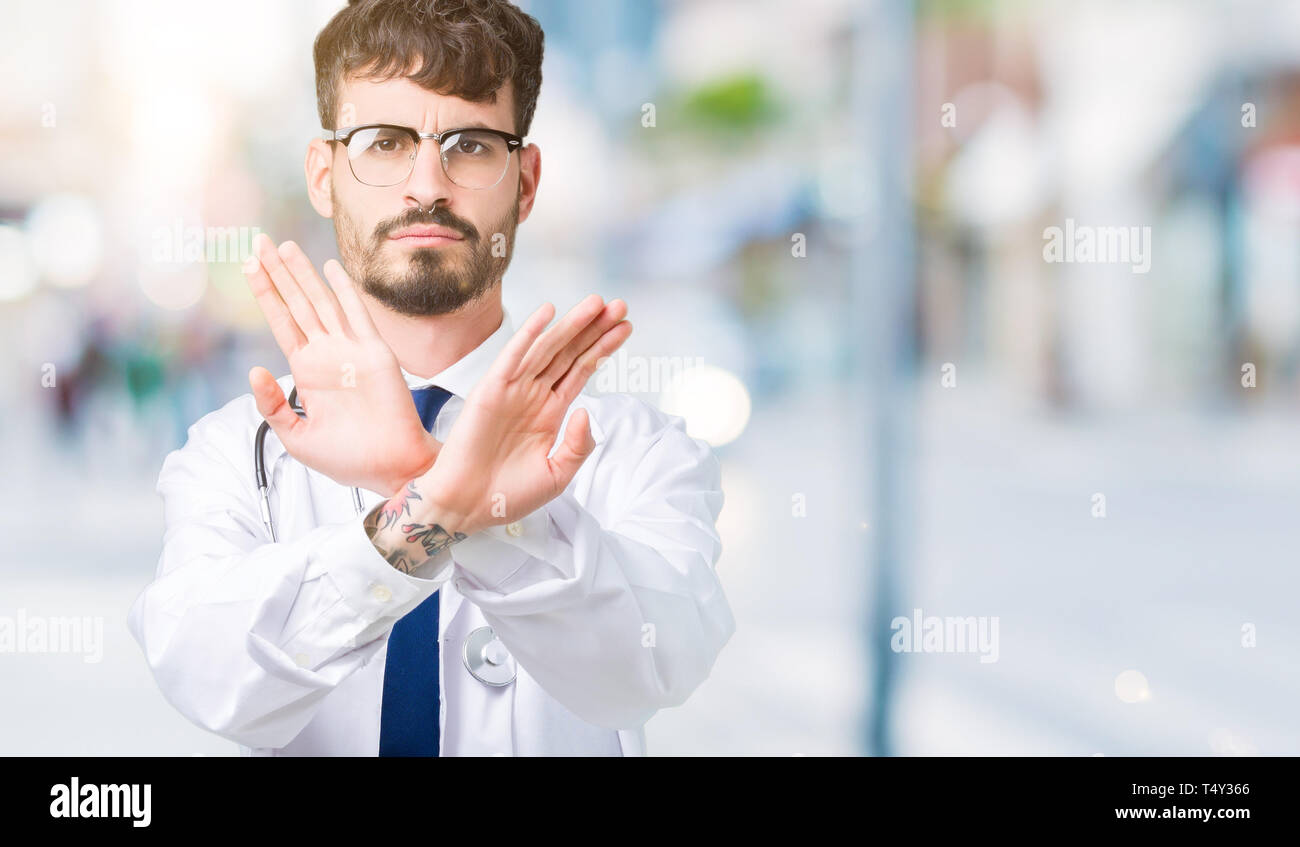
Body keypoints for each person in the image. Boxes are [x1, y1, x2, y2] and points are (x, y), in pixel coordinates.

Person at [127, 0, 735, 756]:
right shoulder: (232, 451)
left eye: (472, 145)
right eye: (384, 143)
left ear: (528, 178)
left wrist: (423, 485)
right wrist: (438, 499)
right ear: (324, 176)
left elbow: (647, 666)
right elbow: (209, 674)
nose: (427, 185)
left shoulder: (635, 448)